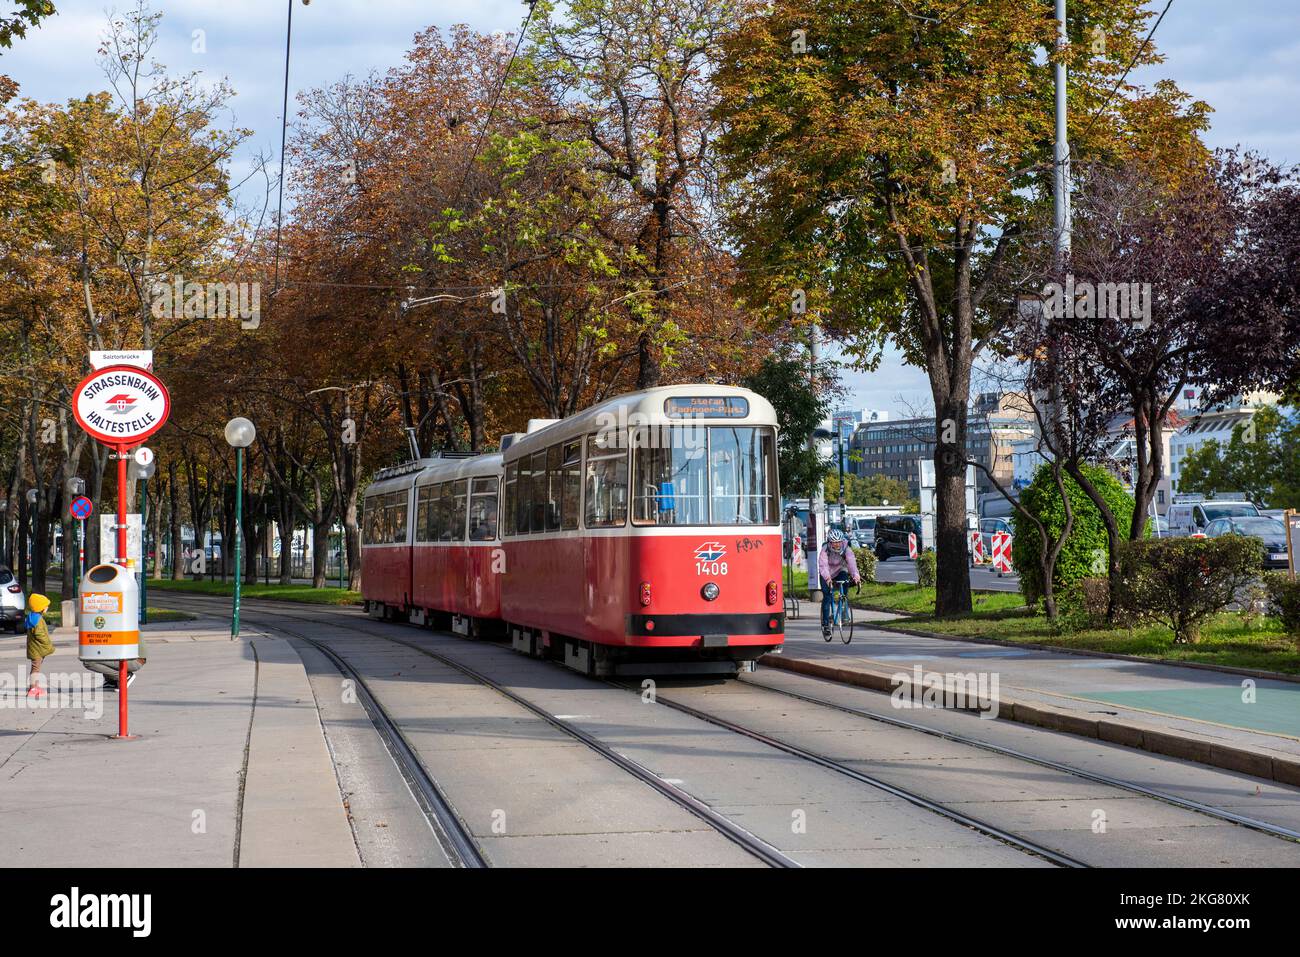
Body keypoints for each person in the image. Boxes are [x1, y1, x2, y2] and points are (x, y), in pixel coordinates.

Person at [819, 527, 860, 638]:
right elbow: (823, 566)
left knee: (844, 584)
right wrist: (827, 579)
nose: (837, 545)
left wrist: (855, 576)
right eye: (834, 542)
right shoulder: (825, 549)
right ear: (830, 542)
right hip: (826, 573)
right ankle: (826, 624)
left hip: (840, 570)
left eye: (839, 542)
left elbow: (851, 563)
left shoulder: (846, 548)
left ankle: (843, 609)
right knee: (827, 597)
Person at [25, 593, 54, 698]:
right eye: (46, 606)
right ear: (40, 607)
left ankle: (34, 687)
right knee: (35, 669)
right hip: (36, 649)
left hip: (35, 648)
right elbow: (40, 634)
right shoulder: (37, 620)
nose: (47, 607)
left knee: (35, 668)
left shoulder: (33, 617)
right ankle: (33, 688)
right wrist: (48, 644)